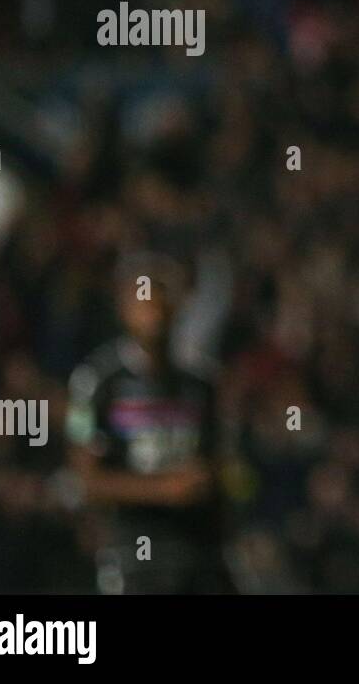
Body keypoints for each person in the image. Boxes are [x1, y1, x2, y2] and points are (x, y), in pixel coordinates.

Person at [66, 252, 231, 593]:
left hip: (199, 550)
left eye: (163, 294)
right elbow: (87, 480)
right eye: (143, 297)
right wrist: (164, 490)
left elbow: (218, 461)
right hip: (135, 553)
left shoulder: (202, 384)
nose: (154, 307)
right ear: (123, 308)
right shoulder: (96, 383)